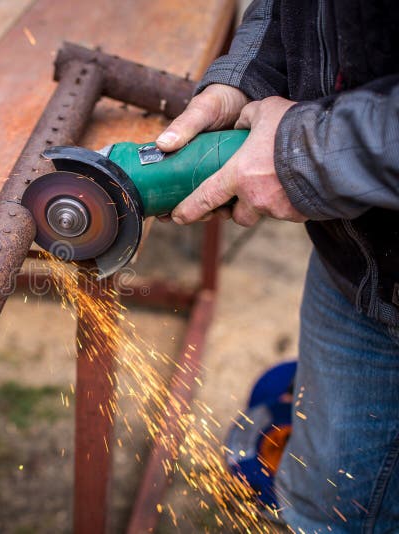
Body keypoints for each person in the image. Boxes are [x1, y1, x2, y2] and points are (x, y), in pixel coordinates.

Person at [155, 1, 399, 532]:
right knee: (319, 487)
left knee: (334, 518)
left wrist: (302, 150)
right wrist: (246, 79)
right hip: (356, 259)